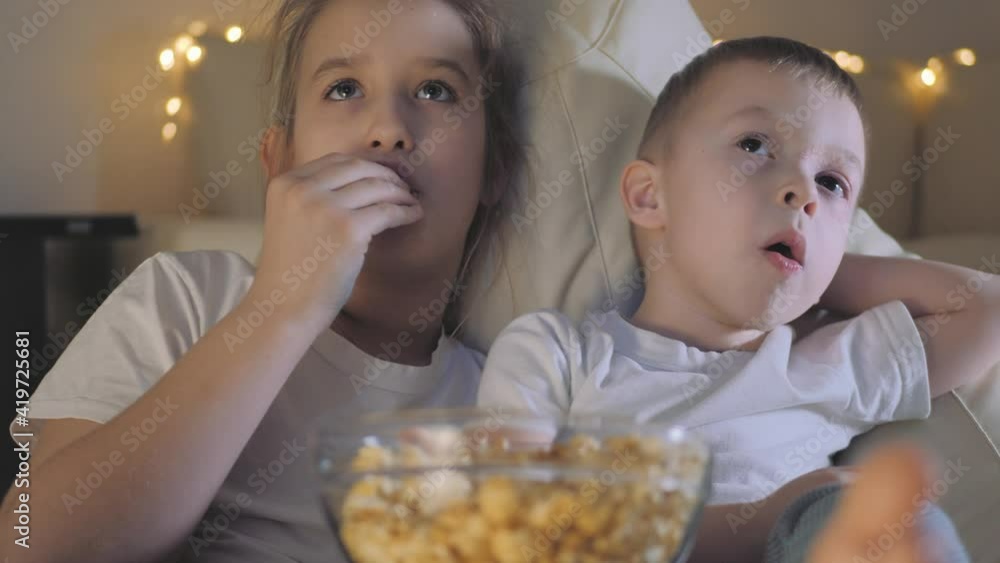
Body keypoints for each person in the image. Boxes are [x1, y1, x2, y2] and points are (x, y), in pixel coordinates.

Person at [0, 0, 525, 561]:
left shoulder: (505, 399)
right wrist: (281, 306)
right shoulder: (185, 298)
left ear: (493, 171)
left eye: (436, 90)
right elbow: (29, 547)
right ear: (280, 161)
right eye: (344, 88)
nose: (390, 130)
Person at [477, 36, 996, 562]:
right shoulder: (556, 352)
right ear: (649, 196)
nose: (804, 192)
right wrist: (761, 521)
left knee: (865, 509)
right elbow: (513, 527)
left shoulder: (825, 363)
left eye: (832, 182)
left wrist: (815, 267)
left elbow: (985, 307)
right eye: (754, 145)